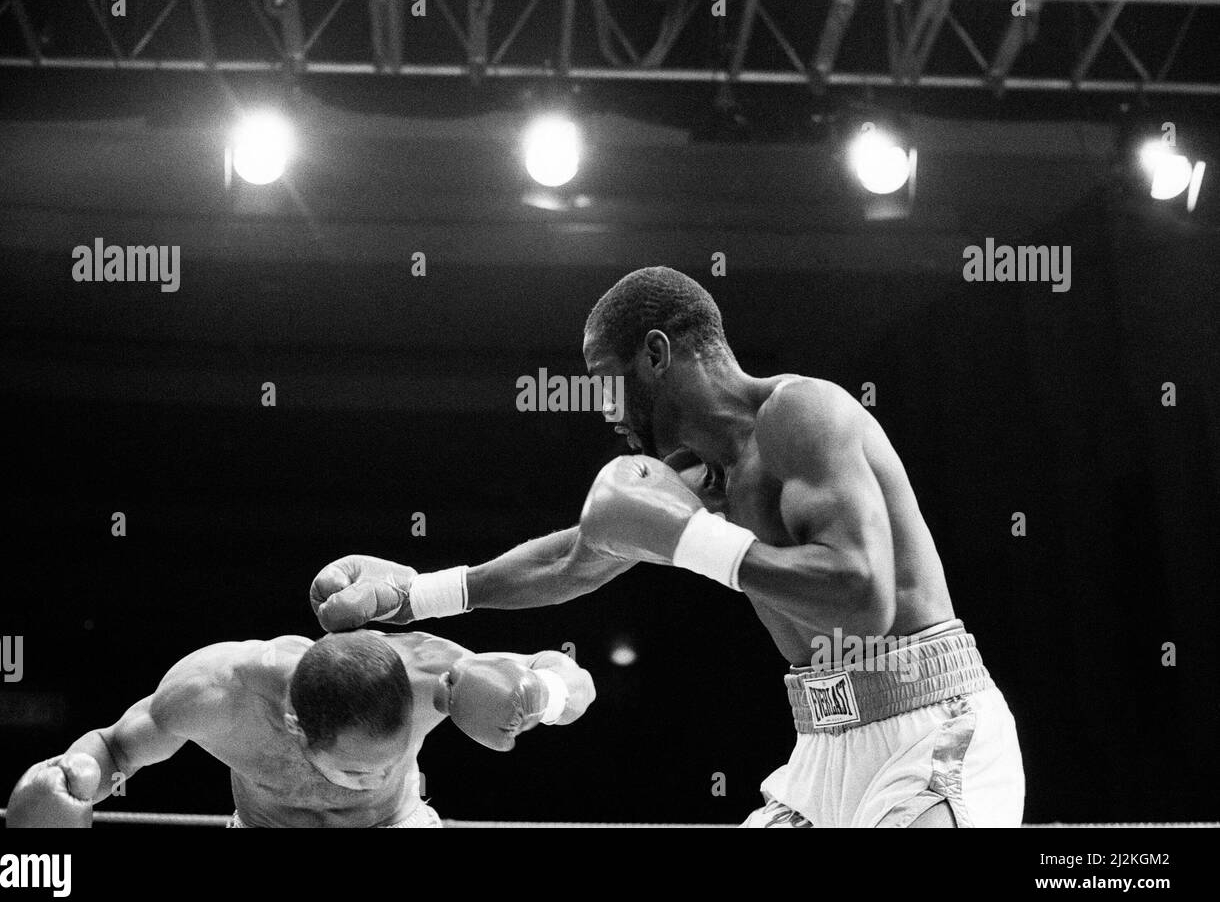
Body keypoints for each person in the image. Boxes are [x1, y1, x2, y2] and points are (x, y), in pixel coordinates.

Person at [311, 266, 1025, 828]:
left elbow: (863, 596)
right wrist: (412, 596)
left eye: (605, 382)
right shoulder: (697, 477)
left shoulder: (804, 413)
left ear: (655, 353)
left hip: (929, 733)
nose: (602, 412)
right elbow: (571, 558)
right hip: (825, 746)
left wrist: (692, 540)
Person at [7, 624, 594, 827]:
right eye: (358, 770)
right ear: (294, 724)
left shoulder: (438, 675)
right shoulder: (213, 693)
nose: (372, 778)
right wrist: (82, 773)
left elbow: (580, 689)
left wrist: (543, 690)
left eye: (390, 760)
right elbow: (116, 747)